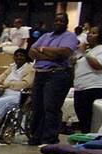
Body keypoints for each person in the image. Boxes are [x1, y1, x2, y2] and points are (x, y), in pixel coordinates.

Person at [28, 13, 79, 144]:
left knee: (51, 107)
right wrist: (51, 54)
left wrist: (42, 50)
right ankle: (36, 136)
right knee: (37, 106)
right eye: (56, 20)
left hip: (57, 74)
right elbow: (31, 52)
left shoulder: (70, 36)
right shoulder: (45, 36)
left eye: (61, 21)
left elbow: (64, 53)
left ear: (66, 23)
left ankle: (49, 138)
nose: (58, 23)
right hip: (40, 73)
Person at [72, 26, 102, 132]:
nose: (89, 34)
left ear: (101, 36)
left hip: (96, 86)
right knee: (81, 116)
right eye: (89, 33)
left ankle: (88, 139)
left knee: (88, 116)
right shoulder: (89, 50)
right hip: (81, 86)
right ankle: (84, 136)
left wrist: (85, 53)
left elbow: (98, 66)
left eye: (94, 33)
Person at [0, 48, 35, 138]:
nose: (18, 58)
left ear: (26, 57)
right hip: (4, 91)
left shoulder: (31, 69)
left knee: (1, 102)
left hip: (18, 95)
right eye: (16, 56)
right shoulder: (12, 67)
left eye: (21, 56)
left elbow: (24, 84)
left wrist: (5, 85)